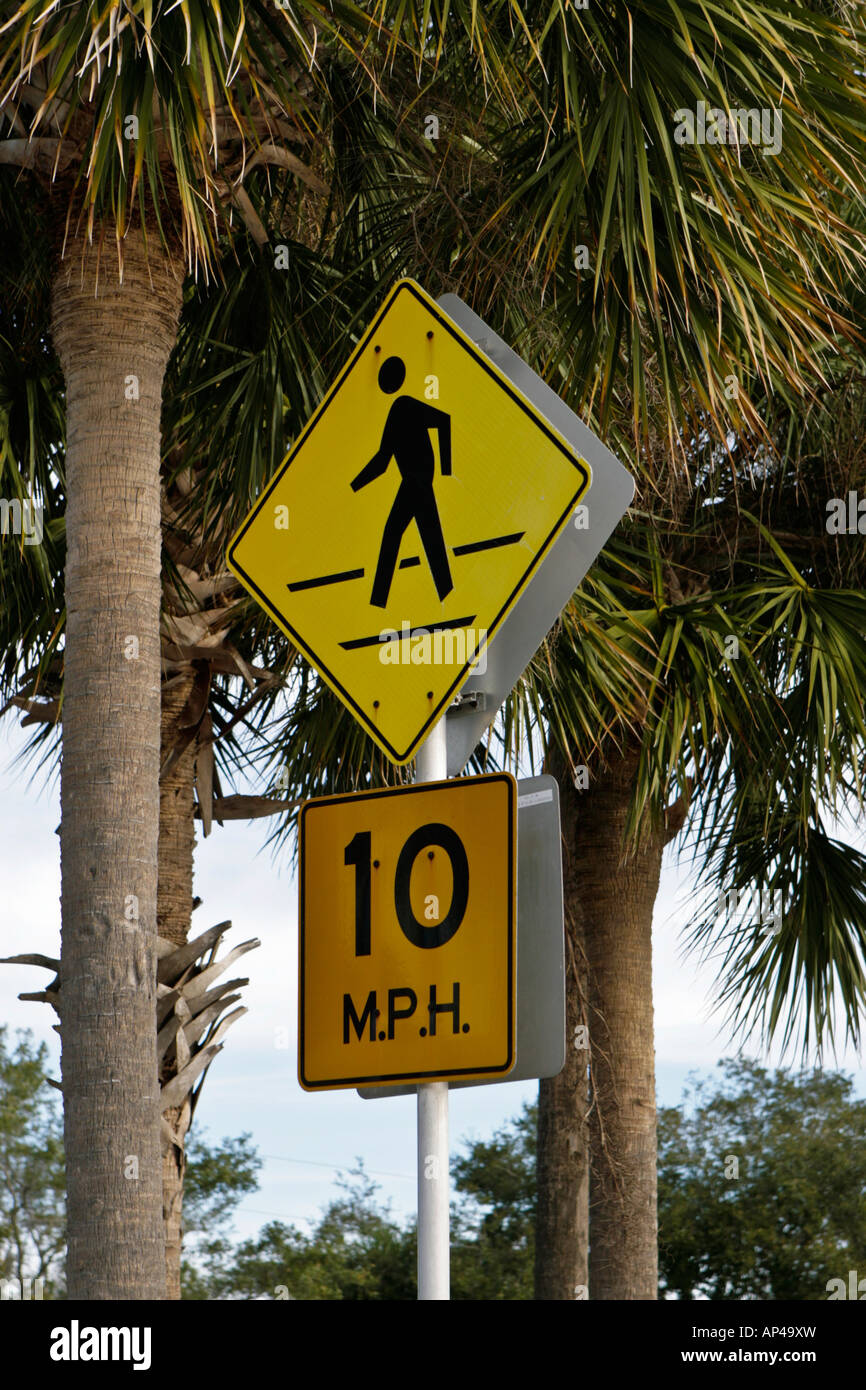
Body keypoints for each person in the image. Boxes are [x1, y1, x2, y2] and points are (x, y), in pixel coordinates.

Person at [351, 355, 453, 608]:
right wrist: (353, 486)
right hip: (412, 483)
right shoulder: (396, 410)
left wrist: (447, 470)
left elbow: (443, 420)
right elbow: (383, 461)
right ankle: (446, 594)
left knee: (402, 536)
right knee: (427, 539)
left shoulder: (404, 405)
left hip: (417, 482)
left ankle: (378, 602)